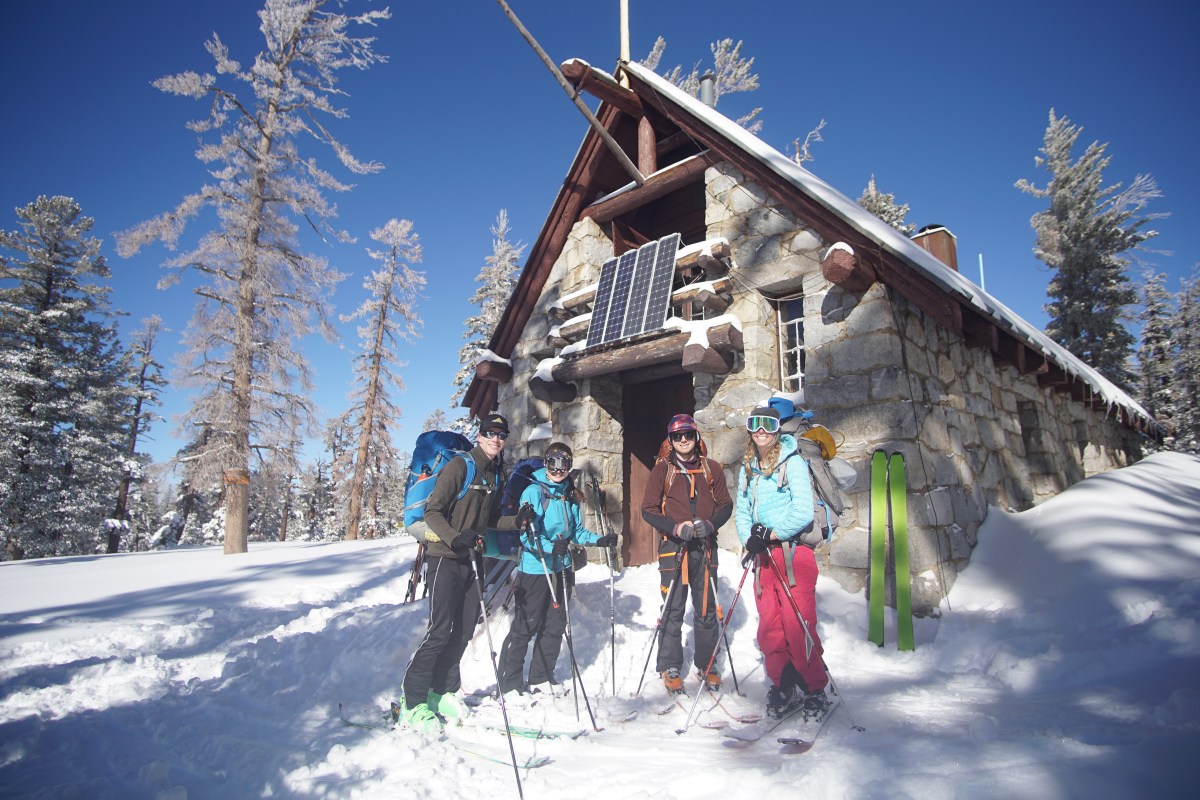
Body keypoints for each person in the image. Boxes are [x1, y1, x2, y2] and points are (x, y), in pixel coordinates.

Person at [400, 412, 510, 733]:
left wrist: (519, 522)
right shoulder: (460, 467)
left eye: (501, 434)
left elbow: (488, 522)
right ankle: (413, 700)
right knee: (439, 631)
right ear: (479, 435)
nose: (495, 439)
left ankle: (442, 692)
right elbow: (432, 511)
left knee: (462, 632)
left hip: (472, 560)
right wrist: (454, 536)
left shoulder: (493, 475)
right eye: (490, 432)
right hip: (445, 558)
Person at [497, 442, 617, 698]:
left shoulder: (569, 494)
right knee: (526, 625)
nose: (559, 469)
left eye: (565, 463)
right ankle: (509, 682)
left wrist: (599, 540)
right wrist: (553, 548)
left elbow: (575, 531)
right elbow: (528, 536)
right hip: (535, 568)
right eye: (553, 462)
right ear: (546, 463)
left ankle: (541, 676)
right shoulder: (532, 492)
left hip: (561, 568)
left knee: (555, 624)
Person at [735, 406, 830, 719]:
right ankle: (783, 683)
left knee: (797, 623)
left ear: (777, 429)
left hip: (793, 554)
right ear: (749, 430)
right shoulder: (748, 466)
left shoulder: (794, 463)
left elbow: (803, 510)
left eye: (767, 425)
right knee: (770, 627)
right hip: (763, 557)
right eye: (755, 425)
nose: (761, 431)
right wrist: (750, 537)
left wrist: (772, 533)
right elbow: (743, 510)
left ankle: (814, 687)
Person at [640, 413, 733, 694]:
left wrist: (710, 524)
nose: (683, 440)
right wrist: (675, 527)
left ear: (696, 437)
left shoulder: (711, 468)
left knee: (706, 608)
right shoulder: (661, 470)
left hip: (704, 546)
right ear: (670, 440)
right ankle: (669, 665)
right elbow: (648, 509)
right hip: (674, 547)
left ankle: (707, 664)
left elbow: (725, 505)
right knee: (673, 608)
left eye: (688, 435)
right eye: (678, 436)